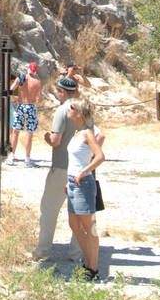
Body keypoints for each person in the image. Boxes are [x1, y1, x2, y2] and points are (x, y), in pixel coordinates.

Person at [32, 76, 105, 264]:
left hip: (61, 167)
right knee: (81, 213)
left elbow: (56, 142)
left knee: (49, 210)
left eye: (59, 91)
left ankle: (43, 250)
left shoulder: (63, 111)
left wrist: (47, 137)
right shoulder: (85, 109)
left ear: (62, 92)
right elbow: (100, 135)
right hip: (82, 168)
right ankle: (76, 252)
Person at [65, 96, 105, 280]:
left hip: (83, 183)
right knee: (74, 224)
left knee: (89, 226)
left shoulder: (88, 133)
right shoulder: (76, 132)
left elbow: (100, 156)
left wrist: (82, 172)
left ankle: (93, 267)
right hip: (73, 182)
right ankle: (87, 261)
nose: (68, 109)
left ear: (79, 114)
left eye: (72, 107)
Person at [7, 62, 42, 167]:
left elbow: (10, 90)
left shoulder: (21, 79)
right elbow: (40, 99)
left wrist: (16, 98)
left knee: (15, 132)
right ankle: (27, 158)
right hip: (31, 106)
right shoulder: (37, 82)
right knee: (29, 133)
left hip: (21, 106)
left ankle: (11, 156)